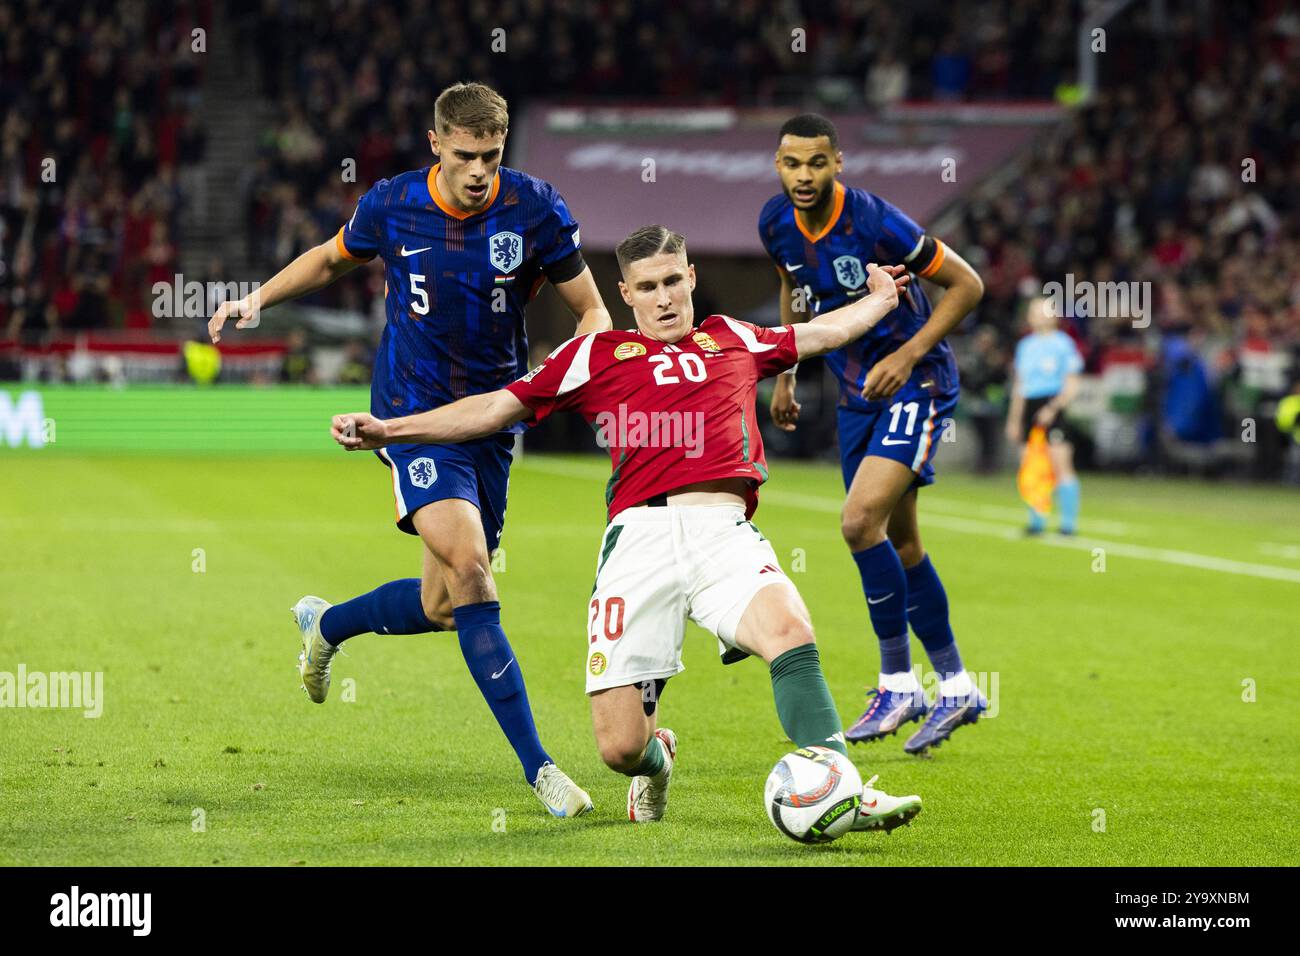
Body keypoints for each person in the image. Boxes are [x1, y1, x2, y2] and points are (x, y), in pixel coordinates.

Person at [330, 225, 923, 832]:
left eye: (672, 281)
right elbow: (493, 408)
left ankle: (841, 784)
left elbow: (821, 332)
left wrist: (880, 297)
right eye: (648, 287)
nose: (664, 297)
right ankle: (657, 760)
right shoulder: (594, 356)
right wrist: (390, 429)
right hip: (637, 543)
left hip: (723, 532)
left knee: (790, 630)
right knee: (620, 749)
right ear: (626, 294)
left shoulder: (734, 337)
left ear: (690, 279)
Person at [207, 82, 612, 818]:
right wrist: (257, 298)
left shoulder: (535, 209)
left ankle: (325, 626)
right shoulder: (393, 203)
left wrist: (566, 375)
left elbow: (593, 311)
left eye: (492, 155)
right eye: (466, 156)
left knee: (444, 604)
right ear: (437, 144)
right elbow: (333, 259)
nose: (481, 170)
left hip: (492, 418)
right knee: (473, 571)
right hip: (410, 416)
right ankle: (541, 770)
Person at [760, 113, 987, 754]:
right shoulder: (774, 224)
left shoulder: (877, 222)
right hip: (855, 391)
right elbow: (792, 288)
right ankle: (958, 685)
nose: (803, 176)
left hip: (914, 384)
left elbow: (967, 285)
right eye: (791, 163)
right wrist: (786, 370)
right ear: (778, 165)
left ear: (839, 163)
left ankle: (897, 683)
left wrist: (909, 354)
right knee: (903, 542)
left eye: (816, 163)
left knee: (860, 523)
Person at [1005, 297, 1084, 534]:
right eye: (1034, 311)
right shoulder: (1025, 346)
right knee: (1030, 465)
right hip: (1029, 406)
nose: (1038, 315)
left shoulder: (1063, 344)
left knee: (1061, 465)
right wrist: (1014, 419)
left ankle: (1068, 525)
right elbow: (1020, 386)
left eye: (1043, 311)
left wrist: (1053, 408)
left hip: (1051, 405)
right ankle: (1036, 521)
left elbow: (1072, 384)